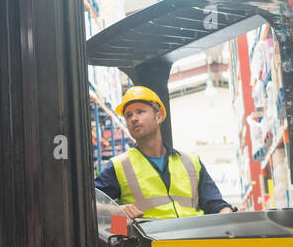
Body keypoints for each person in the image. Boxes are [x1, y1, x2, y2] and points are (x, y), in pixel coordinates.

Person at [94, 85, 234, 218]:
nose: (133, 119)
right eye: (128, 115)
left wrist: (229, 216)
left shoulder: (191, 162)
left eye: (140, 112)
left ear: (159, 116)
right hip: (148, 242)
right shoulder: (119, 166)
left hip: (195, 240)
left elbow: (215, 204)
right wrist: (115, 210)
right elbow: (88, 202)